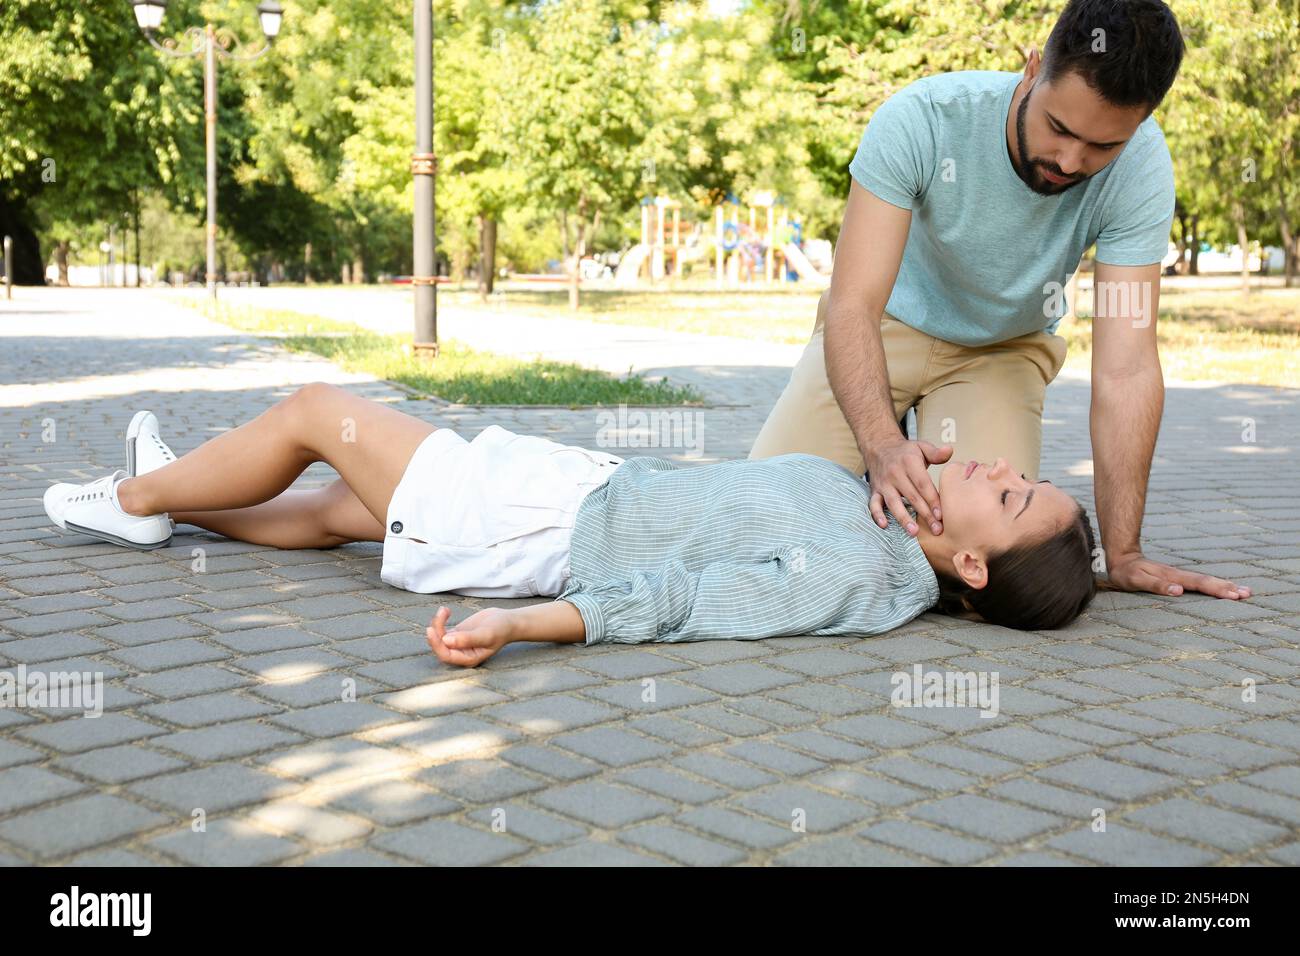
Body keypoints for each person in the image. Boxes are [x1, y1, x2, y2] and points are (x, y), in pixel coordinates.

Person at [749, 0, 1251, 604]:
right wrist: (880, 446)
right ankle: (884, 443)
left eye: (1102, 147)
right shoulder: (922, 119)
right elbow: (852, 305)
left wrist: (1123, 552)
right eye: (1060, 129)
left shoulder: (1142, 167)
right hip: (885, 326)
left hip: (1001, 350)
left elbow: (1127, 366)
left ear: (1141, 123)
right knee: (761, 525)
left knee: (989, 559)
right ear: (1033, 69)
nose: (1070, 162)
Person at [43, 384, 1098, 669]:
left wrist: (526, 625)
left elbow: (688, 604)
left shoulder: (860, 579)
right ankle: (175, 500)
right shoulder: (893, 522)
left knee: (323, 413)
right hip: (568, 494)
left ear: (968, 562)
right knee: (335, 512)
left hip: (539, 532)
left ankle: (132, 499)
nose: (1000, 469)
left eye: (1010, 497)